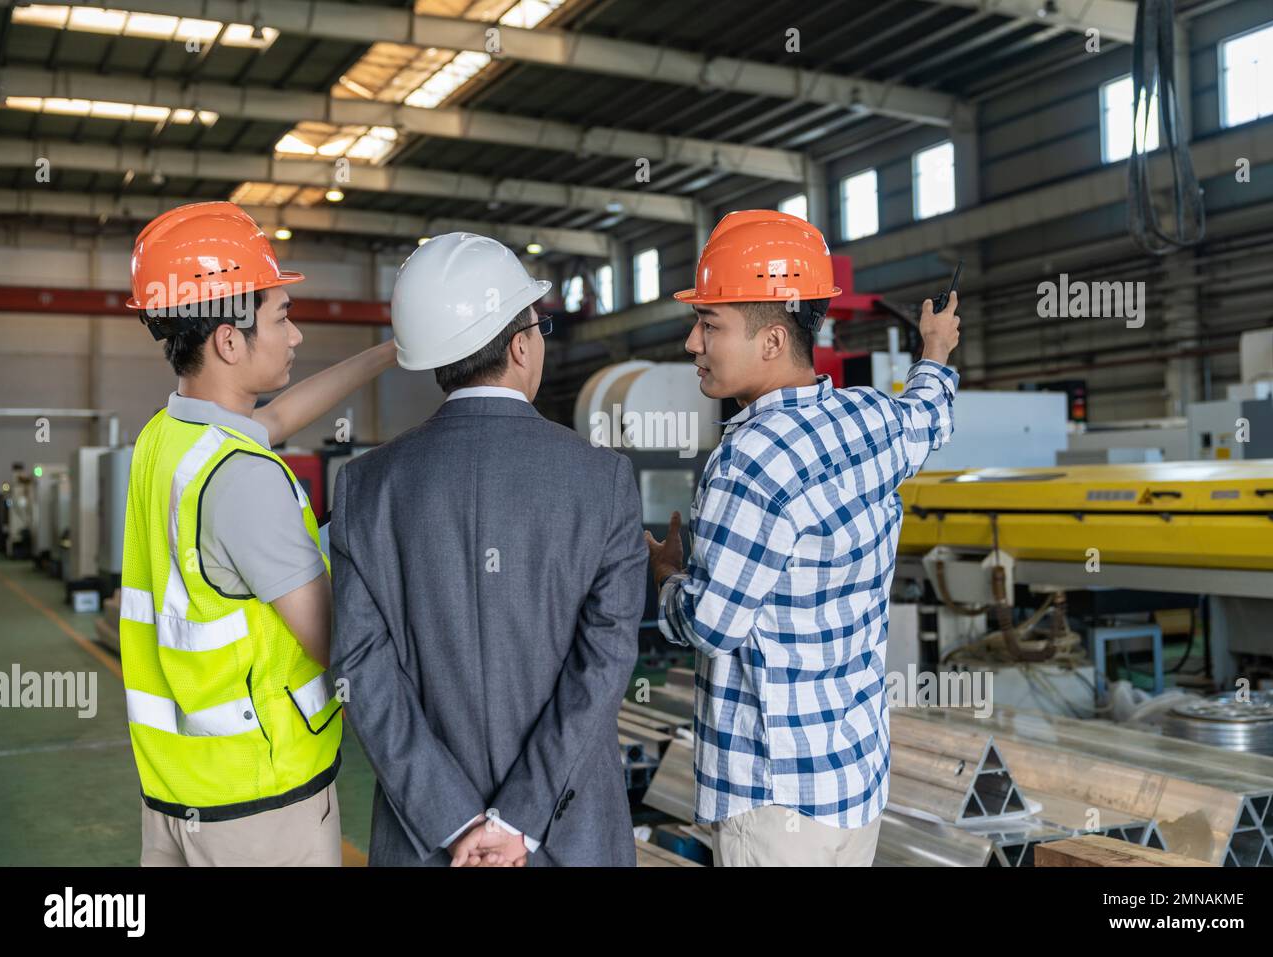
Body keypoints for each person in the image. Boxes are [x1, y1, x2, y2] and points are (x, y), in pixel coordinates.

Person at [645, 209, 961, 867]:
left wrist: (667, 579)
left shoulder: (748, 462)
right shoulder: (871, 417)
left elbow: (711, 626)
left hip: (778, 801)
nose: (691, 344)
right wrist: (935, 349)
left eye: (709, 325)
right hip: (856, 781)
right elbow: (930, 416)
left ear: (769, 341)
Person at [330, 232, 646, 867]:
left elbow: (361, 669)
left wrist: (455, 822)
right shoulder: (602, 480)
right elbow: (604, 664)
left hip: (427, 844)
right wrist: (521, 821)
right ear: (522, 343)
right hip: (568, 837)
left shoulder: (366, 486)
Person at [118, 201, 396, 866]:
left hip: (180, 794)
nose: (296, 335)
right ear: (229, 339)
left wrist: (389, 352)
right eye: (281, 316)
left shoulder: (171, 437)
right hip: (263, 807)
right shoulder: (242, 478)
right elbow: (335, 638)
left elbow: (278, 419)